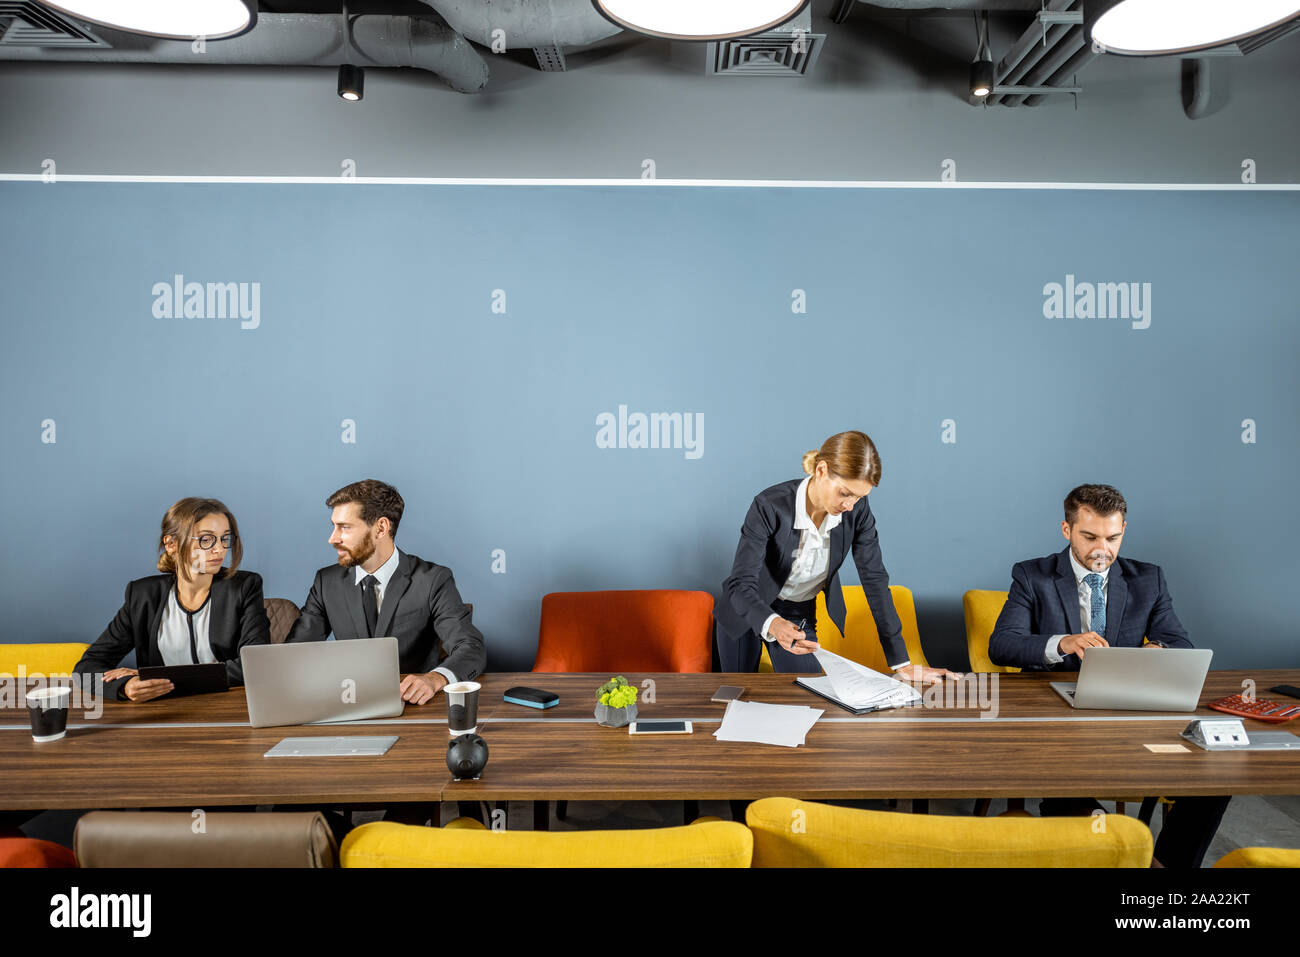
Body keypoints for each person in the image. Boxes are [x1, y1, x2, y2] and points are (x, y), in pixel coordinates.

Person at [988, 483, 1229, 867]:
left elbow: (1179, 641)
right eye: (1090, 536)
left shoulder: (1147, 579)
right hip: (1057, 721)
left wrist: (1159, 651)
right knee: (1066, 788)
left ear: (1123, 531)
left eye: (1112, 537)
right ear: (1067, 531)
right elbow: (1002, 645)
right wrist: (1064, 642)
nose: (1102, 549)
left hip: (1129, 716)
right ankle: (1117, 848)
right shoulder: (1032, 576)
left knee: (1216, 781)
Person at [717, 430, 952, 682]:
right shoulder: (769, 505)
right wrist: (772, 623)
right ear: (821, 471)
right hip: (746, 607)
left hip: (798, 613)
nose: (850, 505)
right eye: (845, 493)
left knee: (810, 694)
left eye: (860, 497)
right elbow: (741, 584)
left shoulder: (856, 510)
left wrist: (902, 663)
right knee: (737, 693)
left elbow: (875, 580)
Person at [286, 479, 485, 704]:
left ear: (381, 528)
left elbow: (470, 647)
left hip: (415, 708)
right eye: (334, 526)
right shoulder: (326, 581)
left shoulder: (432, 579)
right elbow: (294, 654)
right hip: (348, 704)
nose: (333, 538)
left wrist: (435, 678)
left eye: (345, 527)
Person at [74, 497, 271, 702]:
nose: (219, 549)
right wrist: (125, 686)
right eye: (206, 539)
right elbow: (86, 669)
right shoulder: (142, 596)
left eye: (224, 539)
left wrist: (158, 677)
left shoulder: (244, 586)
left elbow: (253, 666)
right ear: (171, 544)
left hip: (227, 707)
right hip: (163, 713)